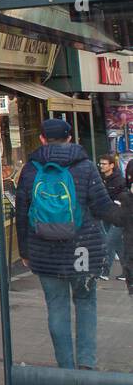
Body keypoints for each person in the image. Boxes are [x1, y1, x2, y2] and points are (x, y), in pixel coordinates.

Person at [17, 120, 120, 371]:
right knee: (85, 302)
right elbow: (102, 207)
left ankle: (65, 368)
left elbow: (21, 213)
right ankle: (87, 363)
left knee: (56, 307)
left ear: (41, 139)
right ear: (70, 138)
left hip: (43, 251)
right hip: (82, 249)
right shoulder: (85, 167)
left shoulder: (30, 170)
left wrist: (25, 251)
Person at [96, 154, 131, 288]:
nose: (102, 166)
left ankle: (104, 271)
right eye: (101, 164)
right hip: (106, 215)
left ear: (112, 165)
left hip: (119, 216)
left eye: (104, 164)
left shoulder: (119, 181)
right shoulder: (101, 180)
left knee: (109, 242)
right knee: (118, 245)